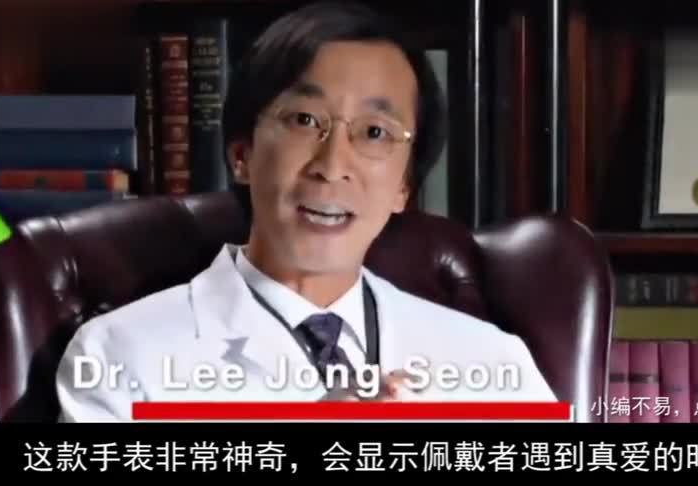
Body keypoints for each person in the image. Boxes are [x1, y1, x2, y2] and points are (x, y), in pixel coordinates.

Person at [55, 1, 557, 422]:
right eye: (304, 120)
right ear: (242, 154)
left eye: (374, 132)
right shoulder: (119, 356)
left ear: (405, 185)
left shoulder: (492, 362)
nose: (332, 166)